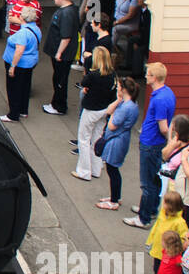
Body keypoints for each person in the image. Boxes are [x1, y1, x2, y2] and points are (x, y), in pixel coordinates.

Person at [124, 63, 177, 229]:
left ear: (154, 77)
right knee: (155, 179)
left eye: (148, 74)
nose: (145, 76)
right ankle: (151, 209)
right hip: (154, 143)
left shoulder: (160, 99)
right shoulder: (168, 93)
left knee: (148, 183)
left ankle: (143, 218)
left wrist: (169, 142)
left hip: (151, 144)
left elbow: (163, 127)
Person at [96, 76, 140, 210]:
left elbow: (112, 125)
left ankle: (114, 201)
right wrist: (118, 100)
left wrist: (113, 116)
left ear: (124, 89)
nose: (117, 88)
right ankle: (115, 196)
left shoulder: (126, 108)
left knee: (112, 169)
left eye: (119, 87)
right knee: (112, 169)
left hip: (117, 140)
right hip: (118, 138)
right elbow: (108, 110)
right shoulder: (128, 103)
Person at [72, 46, 116, 180]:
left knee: (84, 139)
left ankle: (84, 171)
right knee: (96, 139)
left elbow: (84, 82)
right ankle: (96, 169)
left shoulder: (93, 75)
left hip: (91, 109)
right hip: (104, 110)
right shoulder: (112, 75)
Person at [140, 190, 188, 274]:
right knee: (157, 270)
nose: (163, 204)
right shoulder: (162, 214)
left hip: (169, 254)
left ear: (171, 206)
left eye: (165, 202)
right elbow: (155, 228)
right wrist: (150, 242)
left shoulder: (179, 222)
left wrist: (175, 251)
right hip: (158, 250)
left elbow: (183, 239)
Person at [0, 4, 42, 123]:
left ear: (22, 18)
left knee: (14, 88)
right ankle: (23, 110)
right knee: (25, 86)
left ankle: (13, 114)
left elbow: (19, 50)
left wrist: (12, 66)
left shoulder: (23, 33)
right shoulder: (36, 29)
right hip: (30, 63)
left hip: (19, 64)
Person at [42, 0, 79, 115]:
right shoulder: (69, 10)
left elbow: (66, 36)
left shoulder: (67, 13)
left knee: (60, 80)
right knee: (58, 78)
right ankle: (55, 102)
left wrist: (59, 52)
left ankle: (59, 106)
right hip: (61, 52)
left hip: (63, 54)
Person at [112, 0, 145, 64]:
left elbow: (130, 15)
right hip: (117, 19)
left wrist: (117, 22)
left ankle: (109, 48)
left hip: (130, 23)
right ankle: (115, 50)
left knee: (115, 29)